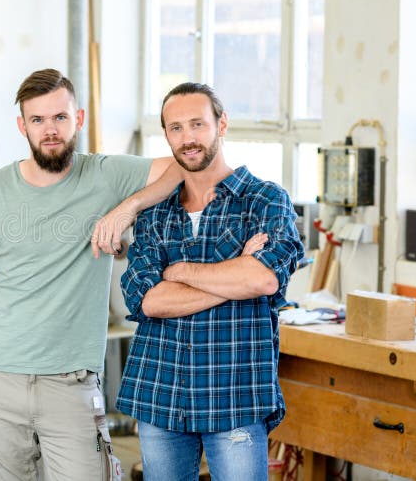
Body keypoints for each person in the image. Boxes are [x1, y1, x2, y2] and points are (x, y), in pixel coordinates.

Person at [0, 68, 182, 480]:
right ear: (22, 126)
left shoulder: (106, 174)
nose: (50, 130)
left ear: (78, 119)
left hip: (71, 382)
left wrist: (127, 209)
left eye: (60, 118)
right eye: (38, 120)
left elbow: (178, 167)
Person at [116, 82, 305, 480]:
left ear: (222, 125)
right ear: (166, 134)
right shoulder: (154, 213)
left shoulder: (265, 200)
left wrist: (179, 272)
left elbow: (265, 279)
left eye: (198, 124)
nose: (188, 138)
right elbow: (148, 301)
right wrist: (234, 272)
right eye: (176, 128)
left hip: (234, 394)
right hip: (161, 392)